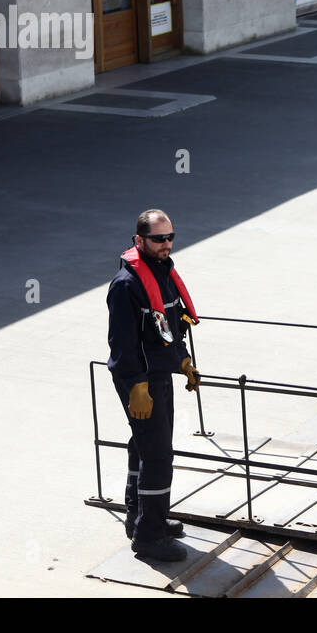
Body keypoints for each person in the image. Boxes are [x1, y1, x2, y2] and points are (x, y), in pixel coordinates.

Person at [106, 209, 202, 562]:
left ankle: (139, 517)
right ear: (139, 240)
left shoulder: (163, 274)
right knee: (159, 455)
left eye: (170, 237)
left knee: (144, 445)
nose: (166, 244)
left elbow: (171, 327)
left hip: (160, 374)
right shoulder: (126, 286)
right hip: (139, 381)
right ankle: (149, 537)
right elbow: (122, 342)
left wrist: (184, 361)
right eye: (158, 239)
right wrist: (136, 387)